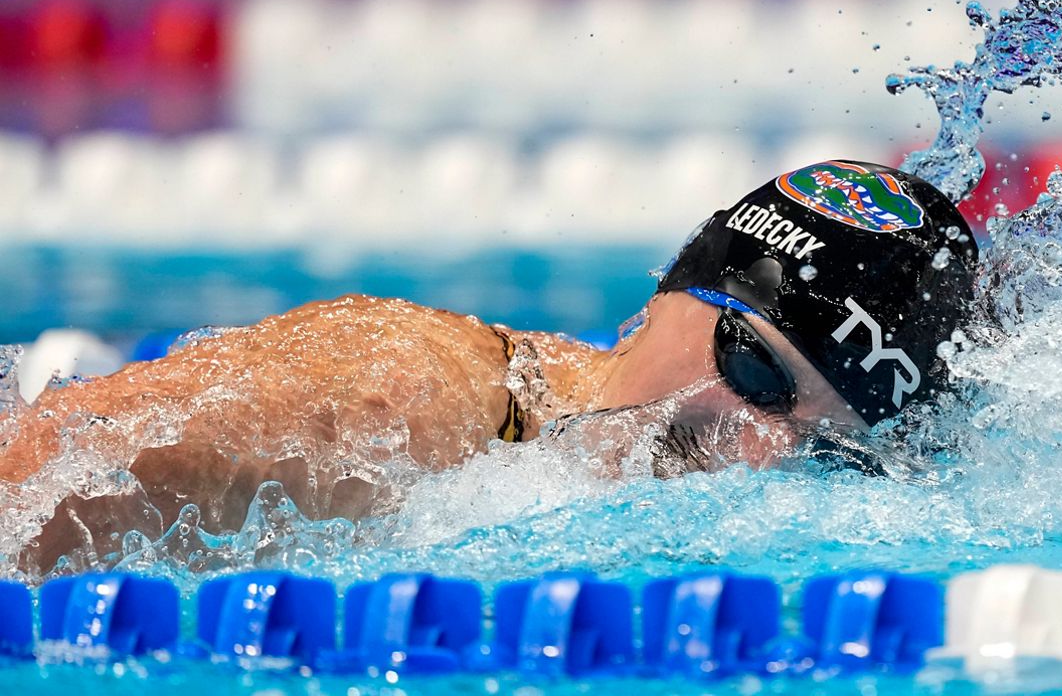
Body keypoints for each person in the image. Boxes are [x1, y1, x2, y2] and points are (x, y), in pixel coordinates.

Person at [0, 159, 977, 573]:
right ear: (672, 296)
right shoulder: (416, 401)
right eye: (757, 373)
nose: (760, 451)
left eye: (823, 447)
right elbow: (42, 463)